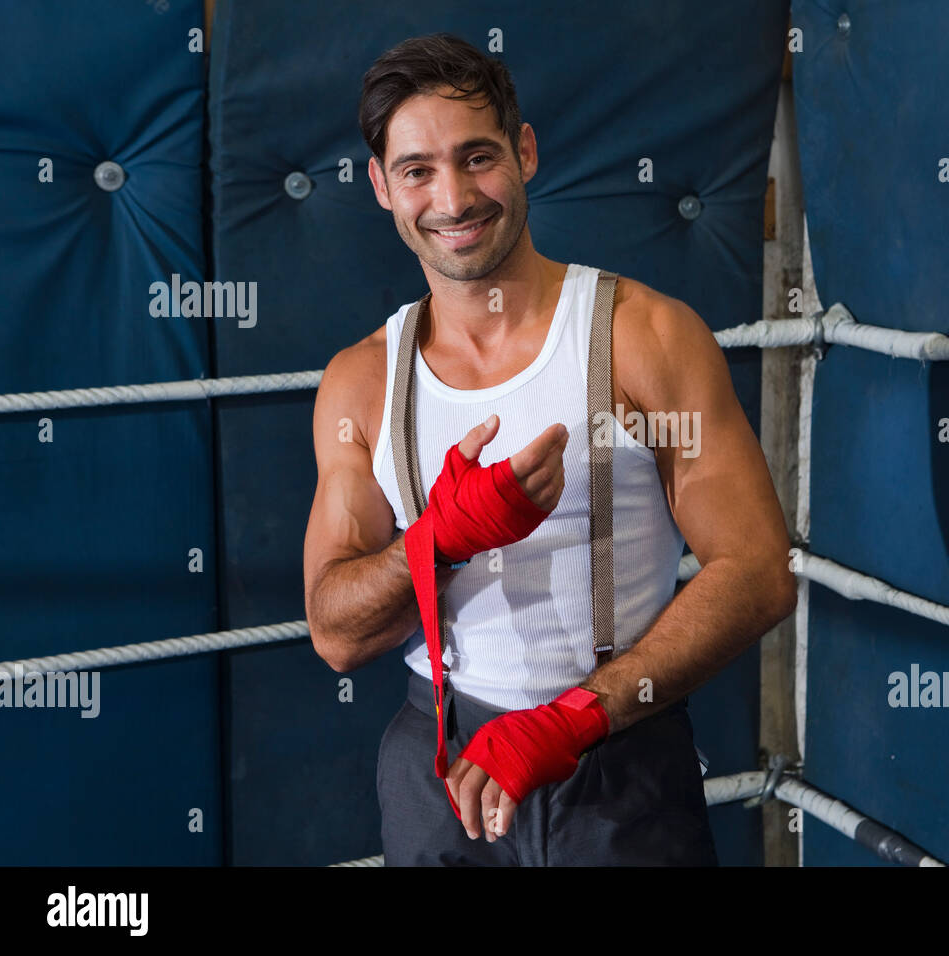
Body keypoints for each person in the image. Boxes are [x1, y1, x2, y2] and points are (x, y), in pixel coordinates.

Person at [302, 32, 796, 866]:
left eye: (478, 157)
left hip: (617, 755)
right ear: (384, 186)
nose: (453, 198)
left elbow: (757, 569)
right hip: (440, 765)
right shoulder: (360, 384)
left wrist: (577, 716)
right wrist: (439, 542)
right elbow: (336, 633)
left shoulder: (642, 335)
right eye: (419, 170)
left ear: (525, 152)